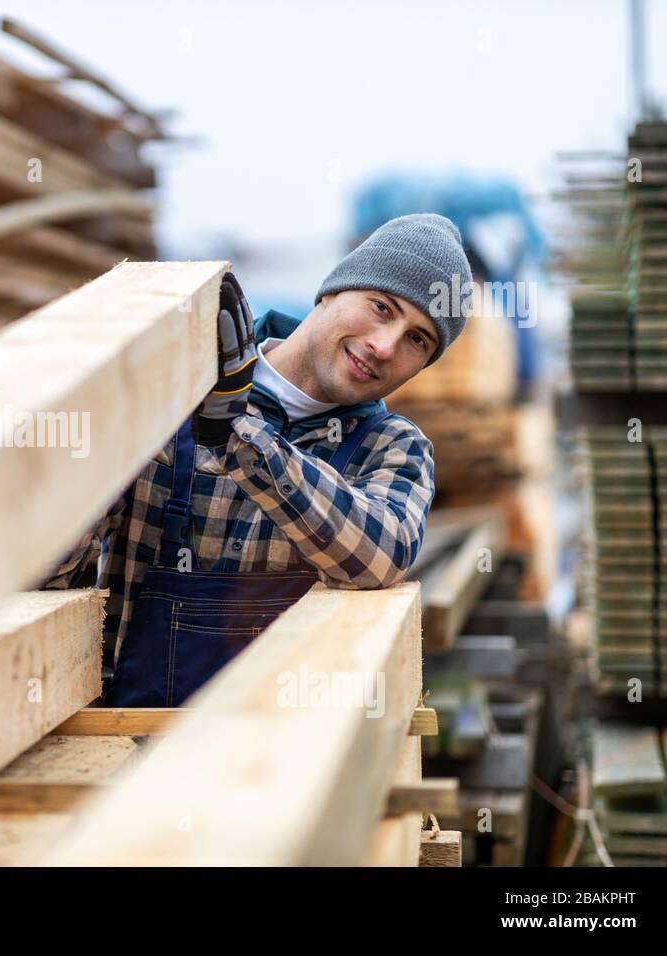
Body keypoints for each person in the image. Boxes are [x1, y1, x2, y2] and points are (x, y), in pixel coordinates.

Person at [41, 213, 473, 707]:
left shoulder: (393, 448)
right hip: (128, 749)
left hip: (280, 765)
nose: (383, 345)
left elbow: (380, 556)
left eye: (418, 339)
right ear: (332, 291)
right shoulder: (175, 399)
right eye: (381, 307)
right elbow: (47, 572)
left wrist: (234, 426)